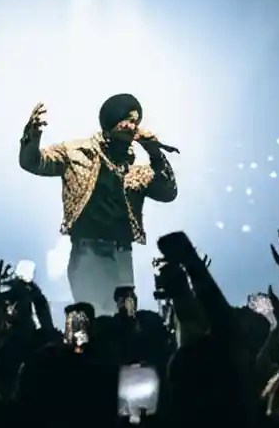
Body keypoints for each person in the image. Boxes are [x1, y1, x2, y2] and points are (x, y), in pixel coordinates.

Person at [18, 95, 178, 314]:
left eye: (136, 122)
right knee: (94, 321)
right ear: (112, 118)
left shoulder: (134, 170)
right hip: (88, 253)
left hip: (122, 254)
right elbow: (33, 162)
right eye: (128, 119)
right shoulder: (75, 152)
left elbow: (168, 193)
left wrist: (154, 152)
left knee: (124, 324)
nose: (132, 126)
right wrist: (32, 135)